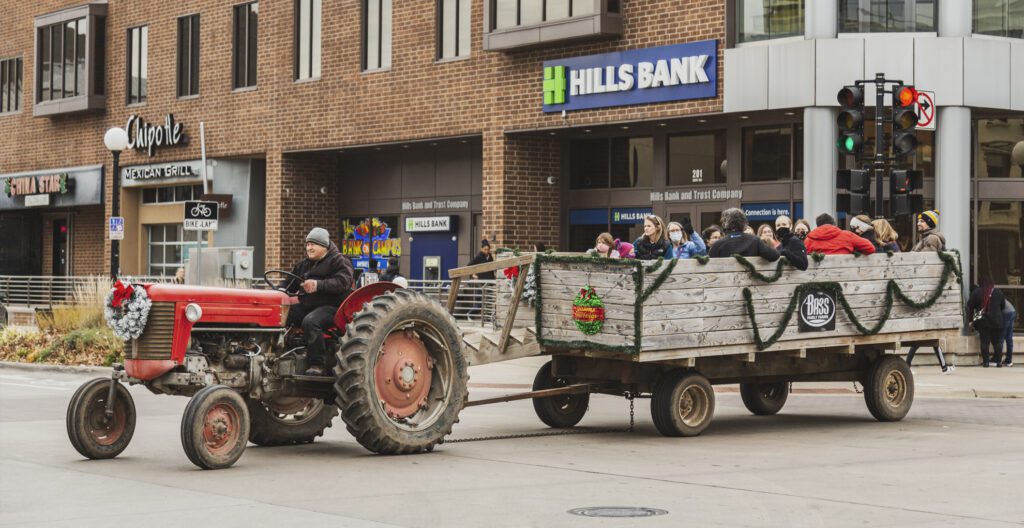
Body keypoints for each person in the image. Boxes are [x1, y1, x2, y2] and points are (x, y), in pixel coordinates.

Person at [283, 227, 355, 375]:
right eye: (308, 244)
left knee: (311, 321)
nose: (309, 248)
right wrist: (277, 292)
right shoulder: (304, 264)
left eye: (313, 244)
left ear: (324, 246)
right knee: (282, 315)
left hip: (333, 306)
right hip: (308, 304)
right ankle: (280, 354)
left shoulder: (339, 261)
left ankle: (317, 364)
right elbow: (288, 283)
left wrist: (318, 285)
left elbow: (343, 282)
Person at [904, 209, 953, 373]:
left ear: (930, 224)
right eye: (918, 221)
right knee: (924, 335)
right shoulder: (925, 239)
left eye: (922, 221)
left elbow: (925, 264)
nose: (919, 223)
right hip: (924, 290)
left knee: (924, 334)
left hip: (925, 290)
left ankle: (908, 365)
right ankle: (943, 367)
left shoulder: (931, 239)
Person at [709, 208, 781, 261]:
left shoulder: (718, 245)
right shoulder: (754, 241)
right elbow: (774, 256)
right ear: (744, 224)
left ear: (725, 224)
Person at [967, 278, 1006, 367]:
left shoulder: (977, 292)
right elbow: (1003, 306)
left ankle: (986, 362)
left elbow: (970, 305)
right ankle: (998, 362)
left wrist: (971, 320)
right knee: (997, 342)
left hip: (983, 321)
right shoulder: (998, 292)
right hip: (997, 321)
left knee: (985, 342)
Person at [804, 213, 877, 255]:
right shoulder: (847, 235)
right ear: (834, 224)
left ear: (818, 226)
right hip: (844, 276)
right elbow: (870, 248)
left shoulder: (809, 240)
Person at [1002, 299, 1016, 367]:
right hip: (1012, 311)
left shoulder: (989, 296)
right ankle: (1008, 360)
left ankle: (997, 359)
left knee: (1001, 337)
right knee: (1009, 338)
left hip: (1006, 313)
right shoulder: (996, 294)